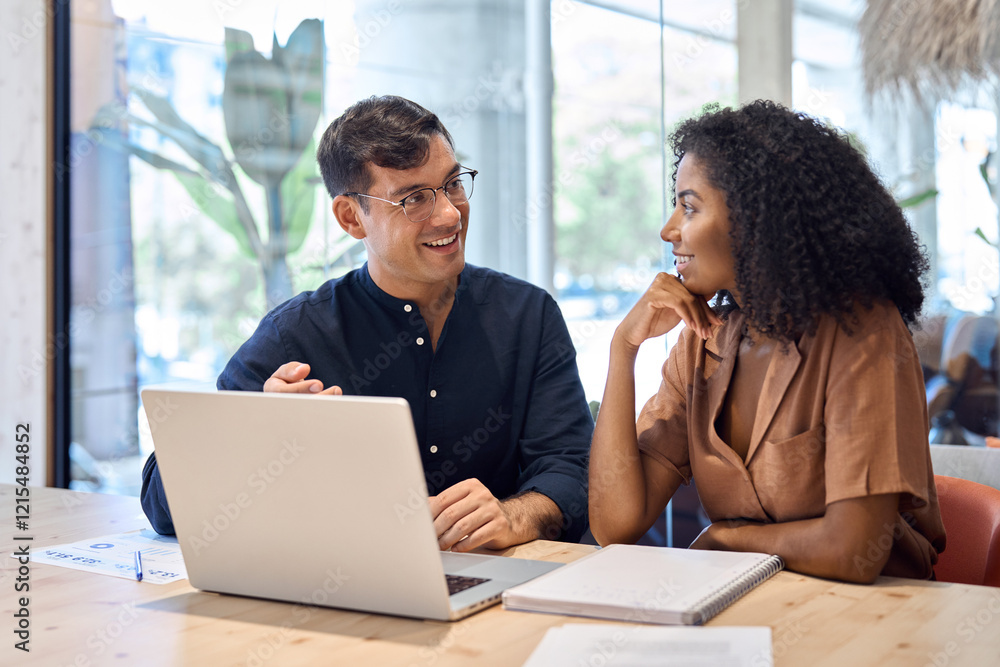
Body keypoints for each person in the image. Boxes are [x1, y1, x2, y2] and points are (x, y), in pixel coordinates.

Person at [141, 95, 592, 549]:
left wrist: (516, 515)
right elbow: (161, 505)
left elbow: (572, 468)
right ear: (351, 218)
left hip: (496, 582)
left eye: (453, 184)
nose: (450, 214)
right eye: (414, 199)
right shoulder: (296, 333)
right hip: (342, 589)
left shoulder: (527, 315)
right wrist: (255, 430)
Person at [589, 100, 946, 583]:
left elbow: (851, 551)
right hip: (754, 617)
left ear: (755, 220)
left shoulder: (863, 333)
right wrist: (622, 347)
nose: (668, 229)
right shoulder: (703, 343)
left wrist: (726, 540)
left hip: (875, 624)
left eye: (689, 207)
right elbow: (616, 524)